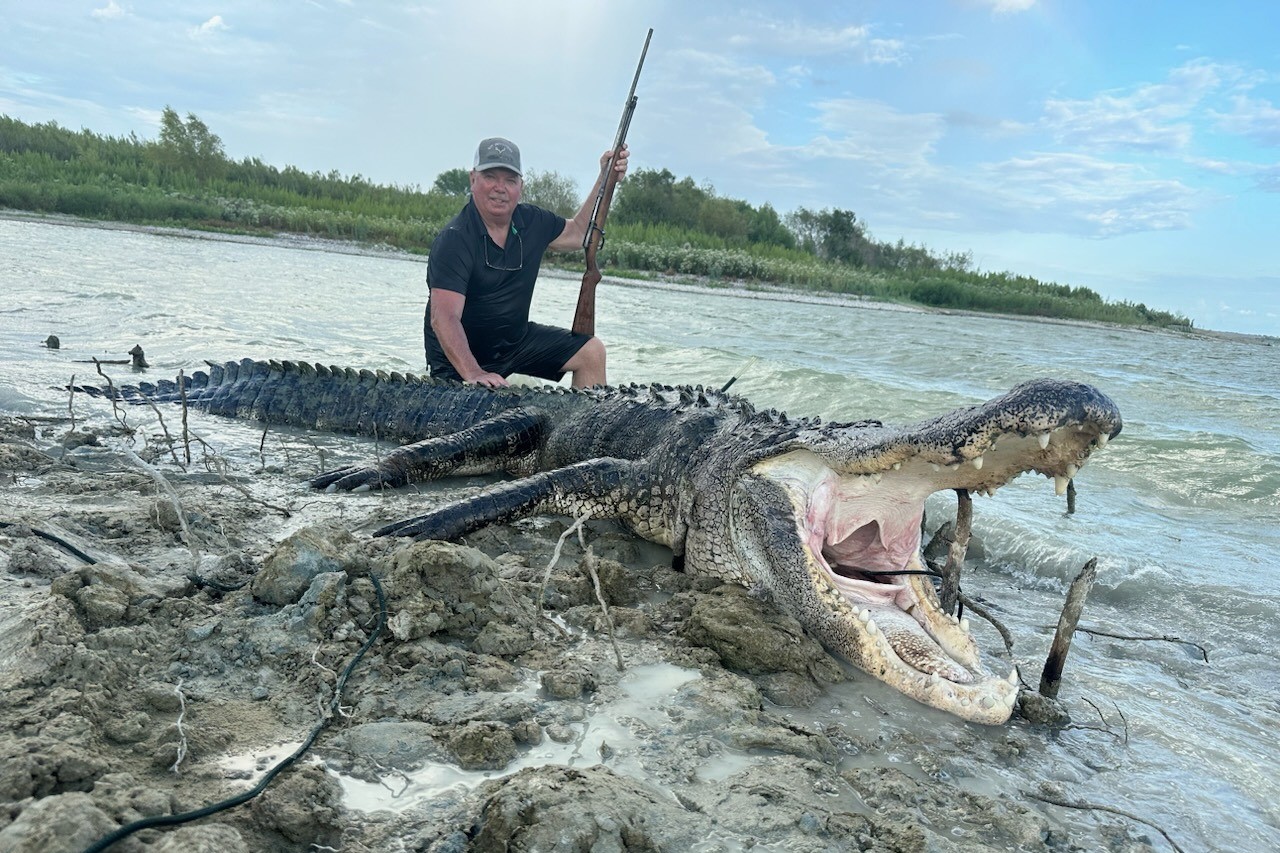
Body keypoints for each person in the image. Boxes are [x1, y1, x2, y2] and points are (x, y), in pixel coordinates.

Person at [423, 136, 629, 389]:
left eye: (510, 180)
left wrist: (605, 181)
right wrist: (474, 372)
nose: (500, 188)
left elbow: (578, 234)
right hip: (458, 361)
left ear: (521, 185)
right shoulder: (454, 239)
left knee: (592, 351)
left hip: (513, 344)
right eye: (490, 177)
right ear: (473, 179)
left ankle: (582, 427)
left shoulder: (532, 221)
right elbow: (443, 318)